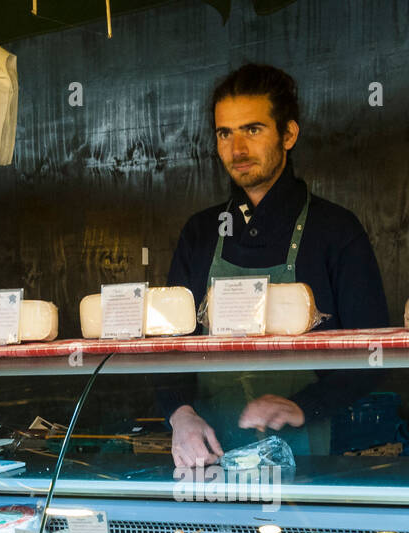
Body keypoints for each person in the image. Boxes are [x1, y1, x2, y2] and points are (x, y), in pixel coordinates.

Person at [163, 64, 390, 468]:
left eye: (252, 130)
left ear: (288, 134)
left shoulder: (335, 229)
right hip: (206, 456)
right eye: (224, 133)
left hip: (305, 457)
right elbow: (164, 347)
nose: (237, 150)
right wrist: (180, 415)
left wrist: (303, 406)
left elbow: (374, 353)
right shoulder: (199, 234)